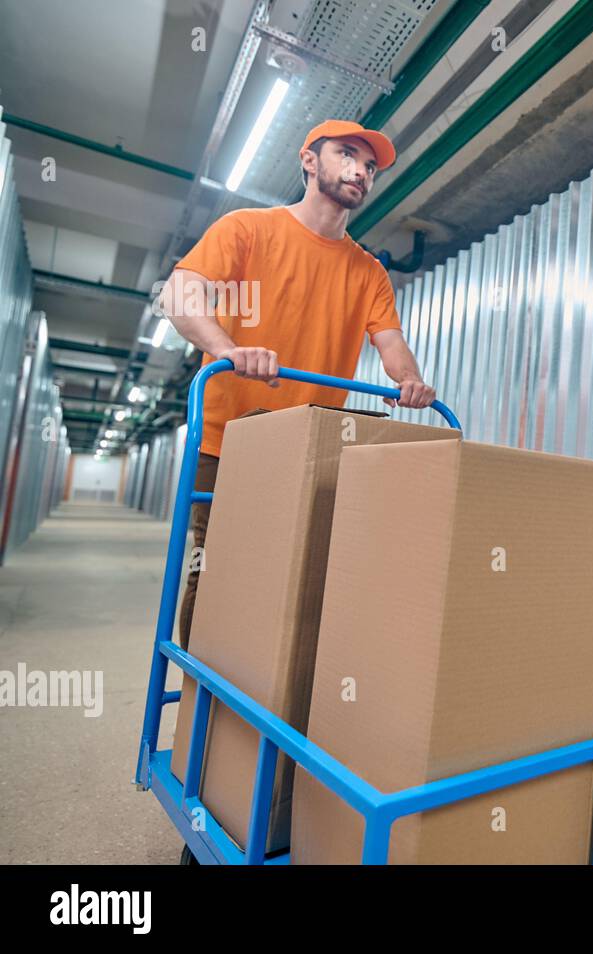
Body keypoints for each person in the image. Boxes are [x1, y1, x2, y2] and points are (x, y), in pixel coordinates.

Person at [160, 119, 436, 648]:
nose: (361, 170)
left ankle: (272, 690)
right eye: (347, 154)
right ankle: (204, 703)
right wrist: (228, 350)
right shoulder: (246, 229)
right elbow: (179, 295)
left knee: (298, 575)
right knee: (216, 569)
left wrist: (410, 381)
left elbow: (390, 340)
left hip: (312, 446)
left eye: (370, 165)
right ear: (309, 162)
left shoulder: (368, 271)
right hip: (229, 441)